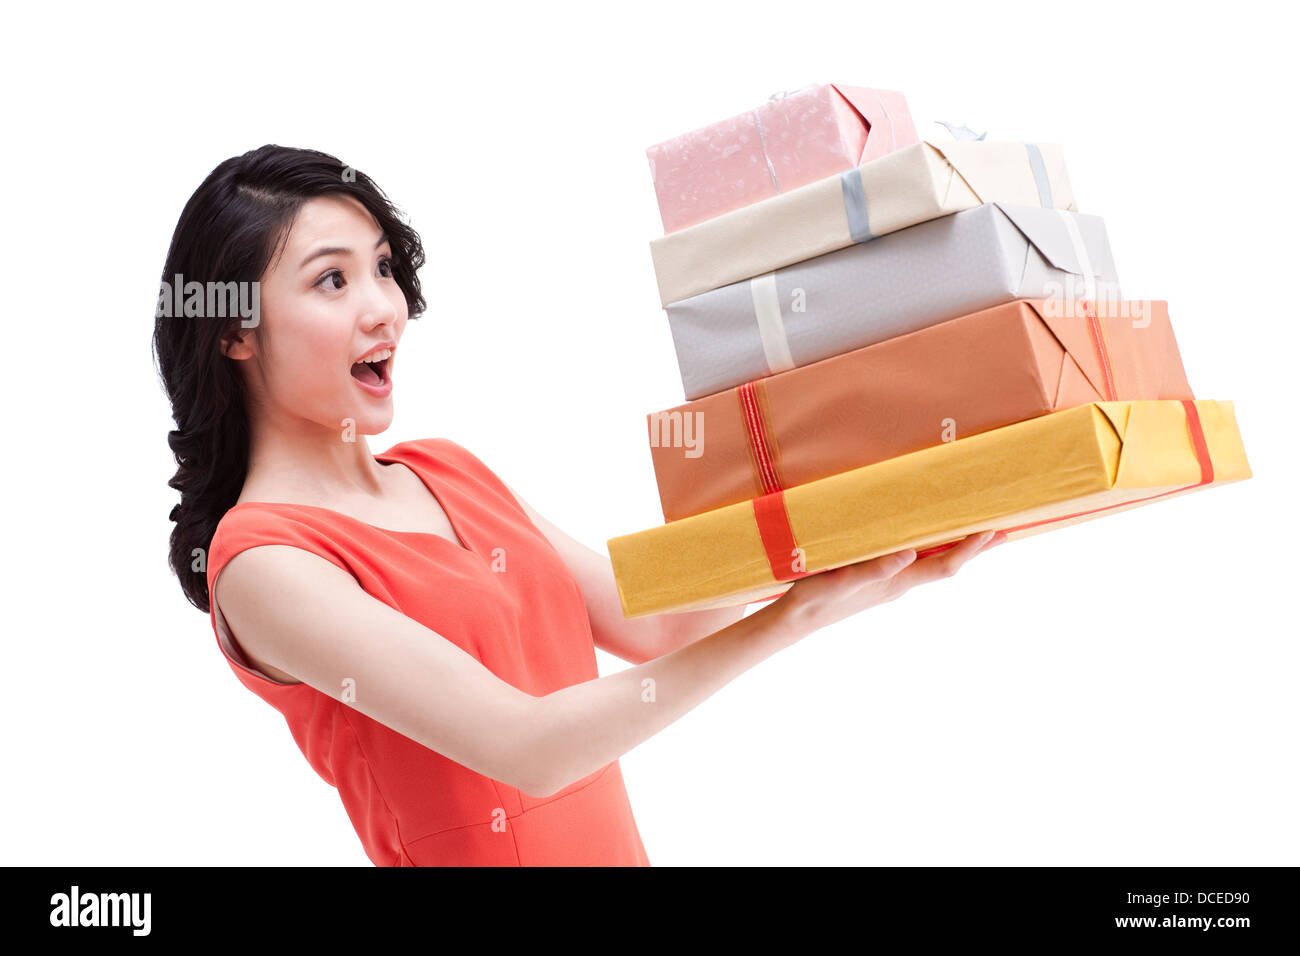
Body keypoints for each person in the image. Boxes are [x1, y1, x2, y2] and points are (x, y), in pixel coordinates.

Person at [154, 144, 1004, 866]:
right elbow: (528, 748)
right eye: (330, 282)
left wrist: (857, 538)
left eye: (381, 267)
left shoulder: (446, 471)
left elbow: (660, 626)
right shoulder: (263, 564)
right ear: (235, 330)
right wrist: (795, 618)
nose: (384, 306)